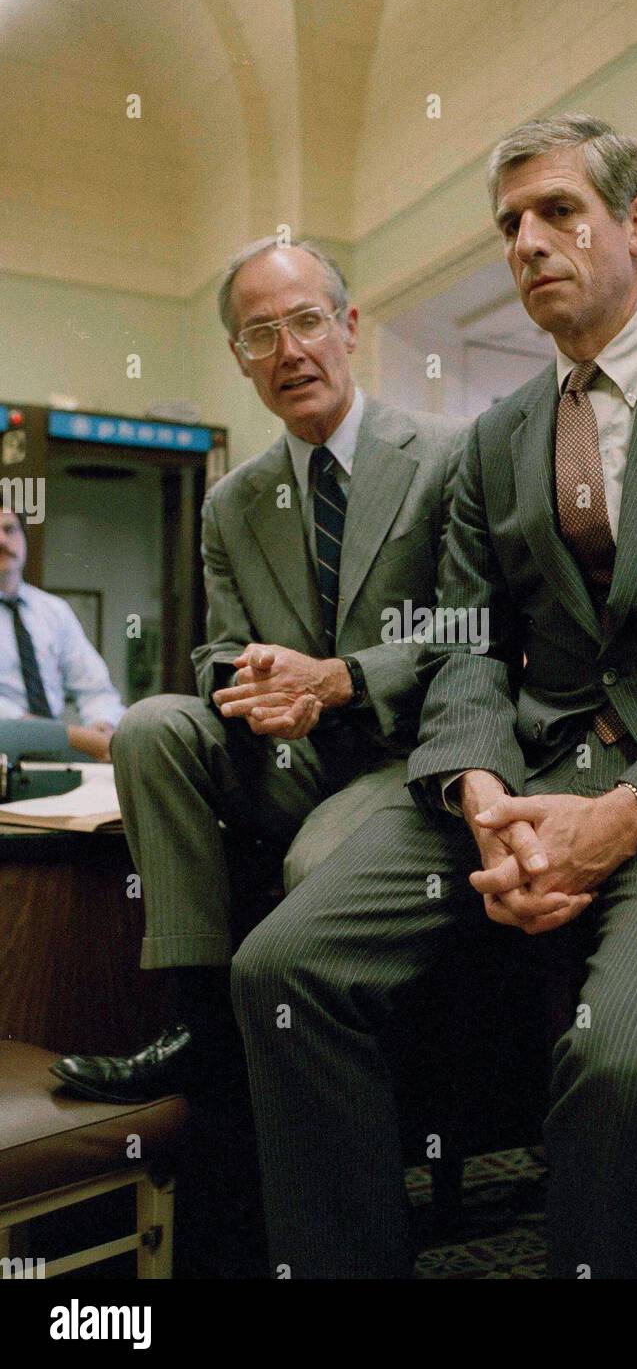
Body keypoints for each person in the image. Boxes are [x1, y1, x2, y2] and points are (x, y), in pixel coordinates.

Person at [231, 115, 637, 1279]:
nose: (527, 243)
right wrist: (478, 788)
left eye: (558, 212)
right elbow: (470, 642)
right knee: (283, 970)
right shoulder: (497, 438)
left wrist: (626, 813)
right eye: (510, 225)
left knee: (618, 1062)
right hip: (527, 784)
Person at [51, 236, 468, 1104]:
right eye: (260, 335)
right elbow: (215, 654)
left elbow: (479, 634)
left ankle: (364, 1078)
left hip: (409, 757)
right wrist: (250, 679)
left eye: (307, 321)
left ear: (348, 327)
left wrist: (340, 677)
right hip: (286, 756)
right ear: (239, 361)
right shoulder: (231, 503)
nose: (289, 351)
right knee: (152, 724)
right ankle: (196, 1021)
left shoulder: (448, 455)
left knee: (314, 867)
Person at [0, 507, 124, 763]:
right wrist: (77, 738)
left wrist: (102, 724)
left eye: (9, 529)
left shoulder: (54, 611)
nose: (2, 540)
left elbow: (94, 687)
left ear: (24, 538)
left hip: (59, 756)